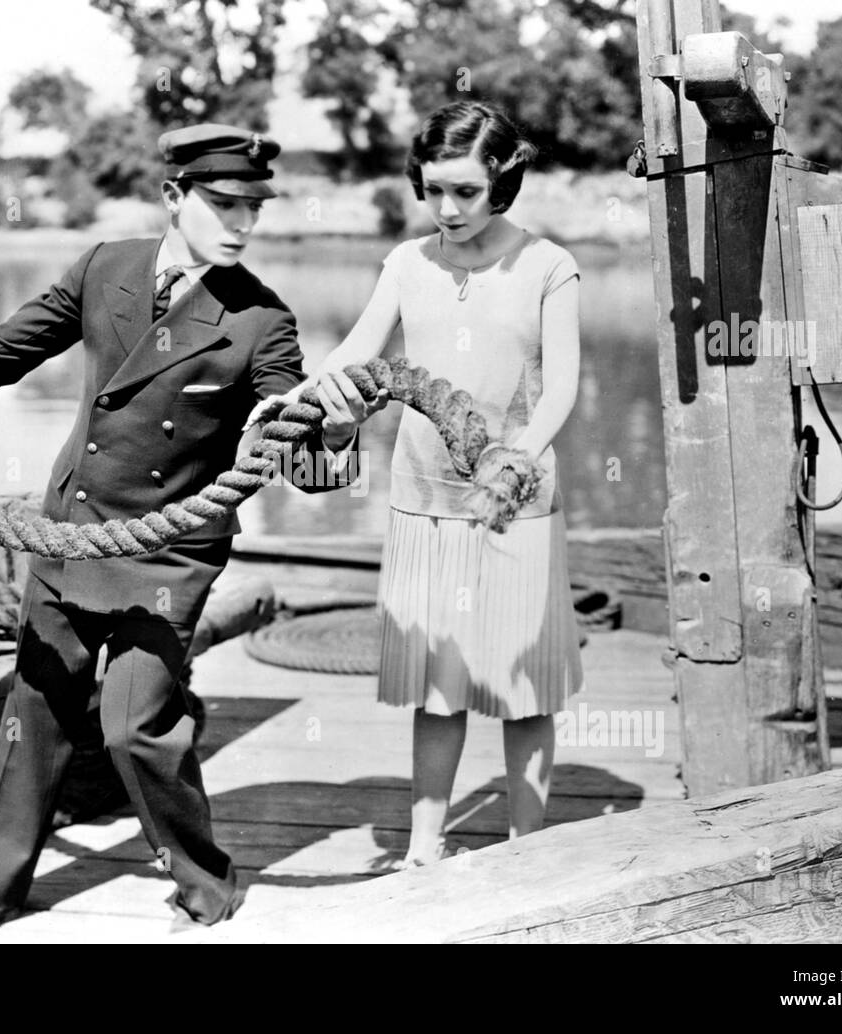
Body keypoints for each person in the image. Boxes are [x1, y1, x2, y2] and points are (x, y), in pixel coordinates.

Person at [0, 124, 378, 940]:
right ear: (174, 198)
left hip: (170, 555)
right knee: (33, 713)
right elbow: (2, 351)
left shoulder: (262, 323)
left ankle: (207, 886)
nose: (242, 222)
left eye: (253, 207)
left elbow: (300, 462)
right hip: (72, 532)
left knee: (136, 725)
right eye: (223, 203)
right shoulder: (107, 266)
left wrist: (340, 436)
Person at [250, 101, 584, 865]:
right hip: (422, 499)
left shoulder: (549, 265)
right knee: (441, 687)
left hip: (514, 502)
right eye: (433, 189)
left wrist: (514, 463)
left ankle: (523, 849)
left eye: (465, 191)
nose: (447, 208)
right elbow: (357, 353)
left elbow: (562, 387)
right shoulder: (406, 263)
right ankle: (424, 850)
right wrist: (294, 399)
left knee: (520, 688)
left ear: (502, 178)